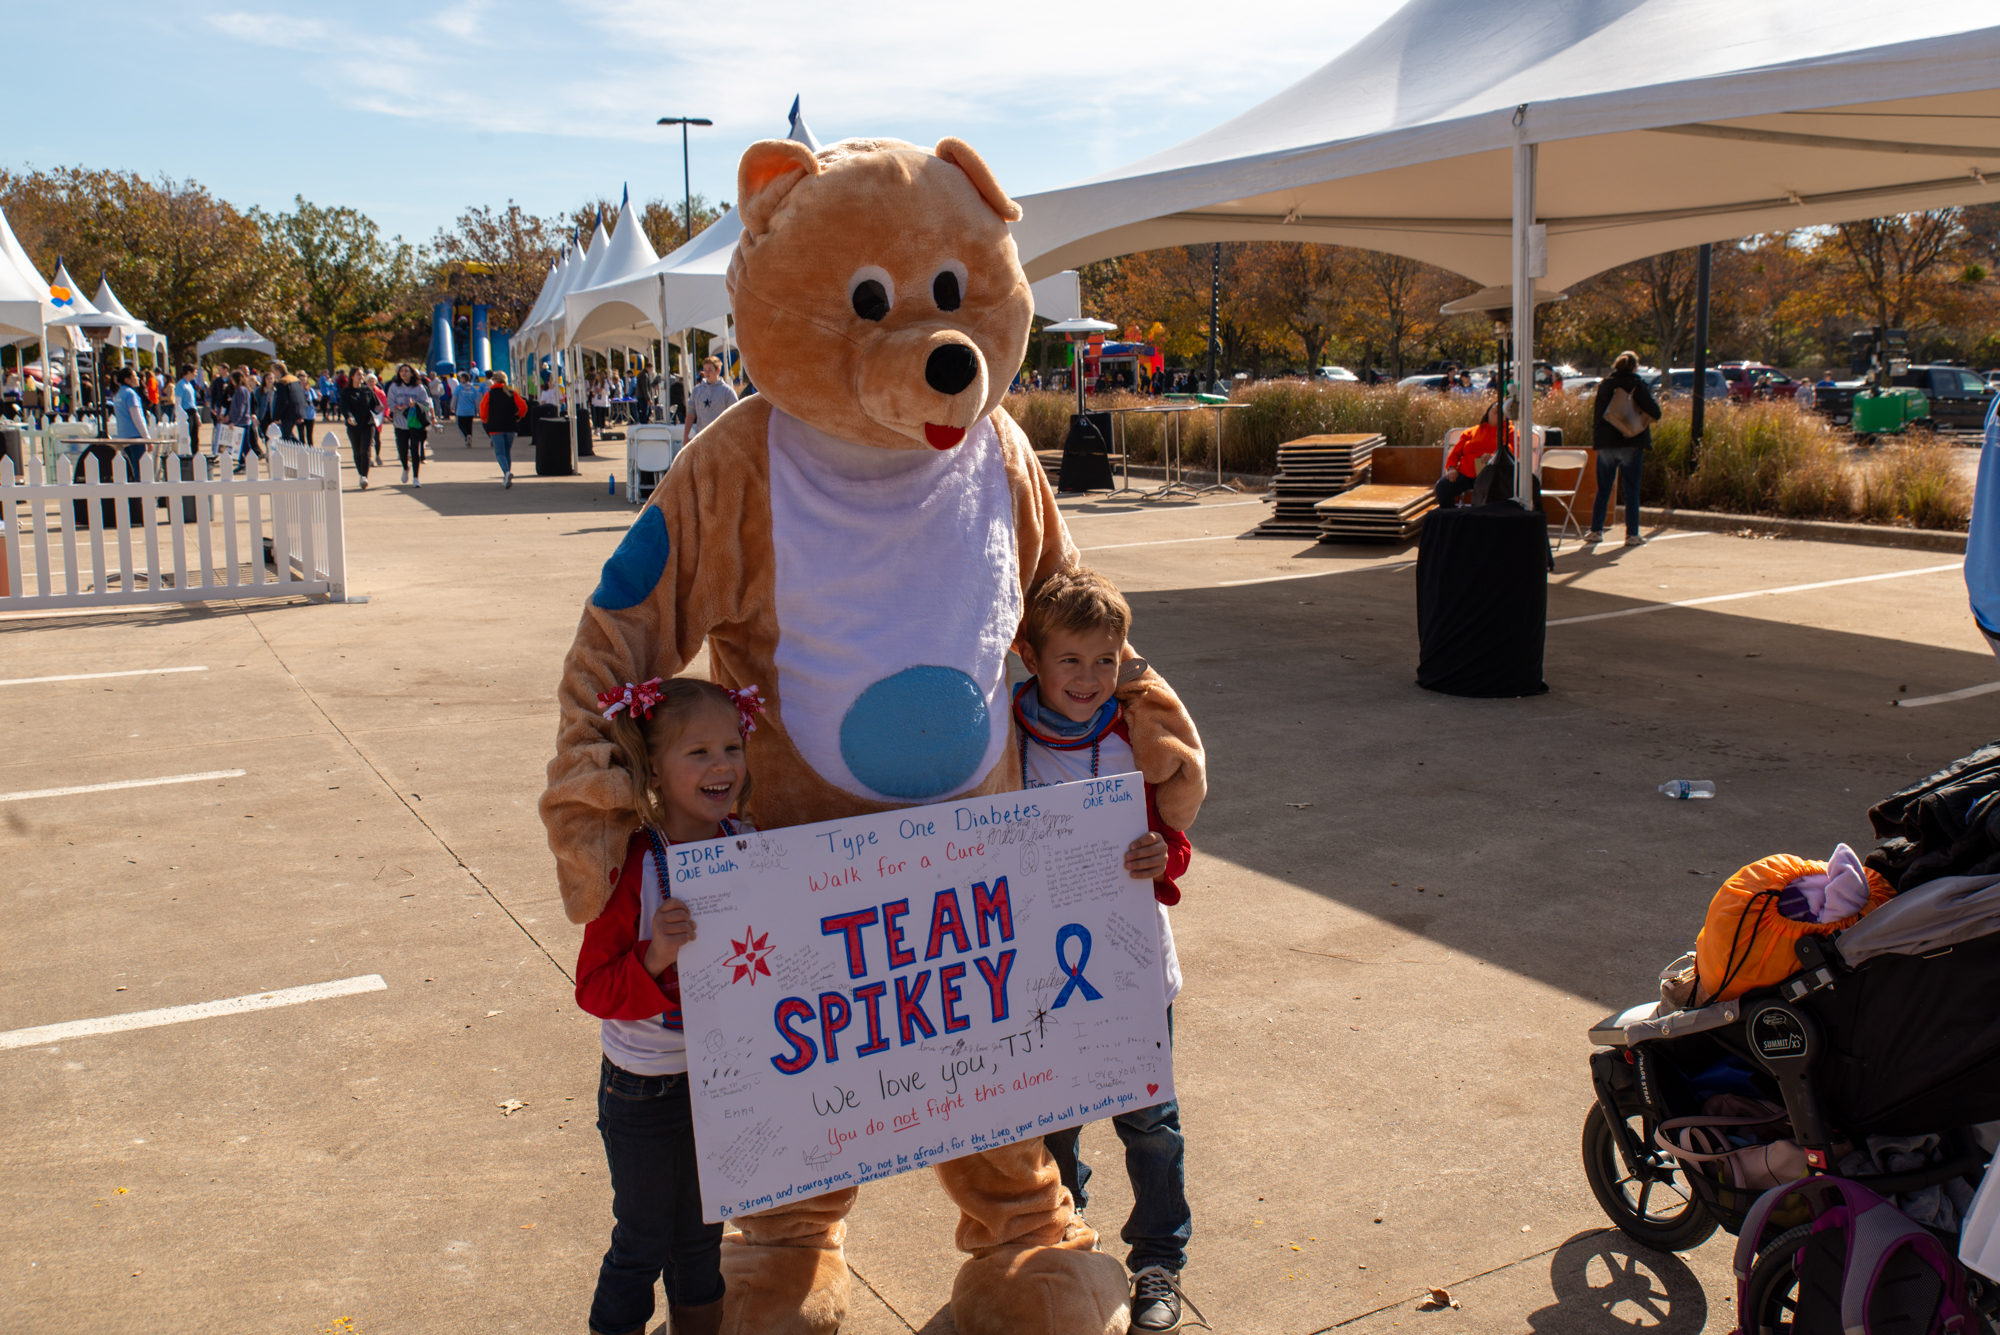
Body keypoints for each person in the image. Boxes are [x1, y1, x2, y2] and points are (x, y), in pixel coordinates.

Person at [1014, 568, 1201, 1335]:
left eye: (1104, 659)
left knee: (1149, 1122)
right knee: (1053, 1123)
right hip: (1037, 977)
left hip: (1133, 971)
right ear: (1030, 656)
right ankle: (1068, 1247)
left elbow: (1173, 839)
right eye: (1071, 659)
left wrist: (1162, 855)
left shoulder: (1134, 738)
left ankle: (1158, 1258)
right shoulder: (1003, 741)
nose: (1088, 678)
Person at [573, 676, 759, 1335]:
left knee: (703, 1234)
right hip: (644, 1087)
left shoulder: (750, 845)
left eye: (732, 748)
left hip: (722, 1079)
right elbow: (592, 987)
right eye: (698, 752)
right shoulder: (631, 865)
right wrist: (654, 955)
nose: (721, 766)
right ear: (654, 769)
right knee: (642, 1239)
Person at [1588, 350, 1662, 548]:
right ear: (1635, 367)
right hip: (1631, 440)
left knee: (1604, 488)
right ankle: (1631, 534)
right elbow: (1656, 412)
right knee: (1631, 490)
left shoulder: (1605, 385)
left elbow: (1597, 415)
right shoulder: (1637, 385)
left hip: (1606, 442)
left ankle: (1596, 530)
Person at [1434, 394, 1515, 507]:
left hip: (1490, 475)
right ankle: (1451, 514)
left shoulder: (1510, 432)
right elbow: (1455, 453)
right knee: (1442, 487)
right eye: (1496, 407)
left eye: (1502, 410)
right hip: (1466, 474)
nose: (1499, 410)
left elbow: (1512, 451)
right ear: (1488, 412)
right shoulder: (1471, 431)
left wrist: (1493, 456)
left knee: (1485, 493)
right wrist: (1451, 468)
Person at [478, 369, 529, 488]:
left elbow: (483, 410)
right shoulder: (512, 393)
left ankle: (506, 473)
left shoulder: (489, 394)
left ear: (494, 380)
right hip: (510, 426)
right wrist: (518, 416)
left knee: (500, 453)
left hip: (495, 427)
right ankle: (506, 477)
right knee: (507, 452)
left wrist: (486, 421)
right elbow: (523, 406)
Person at [384, 363, 431, 486]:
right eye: (401, 371)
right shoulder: (394, 387)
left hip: (415, 424)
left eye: (406, 371)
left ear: (412, 373)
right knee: (403, 451)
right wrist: (397, 407)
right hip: (400, 424)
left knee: (415, 450)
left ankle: (416, 478)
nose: (404, 373)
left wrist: (415, 405)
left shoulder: (419, 388)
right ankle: (405, 467)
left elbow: (426, 404)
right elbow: (389, 403)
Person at [339, 371, 378, 490]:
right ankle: (361, 473)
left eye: (362, 374)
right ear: (352, 376)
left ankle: (364, 477)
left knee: (365, 450)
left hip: (368, 424)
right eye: (358, 374)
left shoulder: (367, 390)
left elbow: (375, 405)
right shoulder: (346, 392)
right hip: (353, 425)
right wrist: (349, 417)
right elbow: (344, 407)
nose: (361, 377)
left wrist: (379, 409)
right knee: (357, 451)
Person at [685, 356, 737, 440]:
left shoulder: (727, 391)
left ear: (718, 371)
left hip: (721, 439)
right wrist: (685, 436)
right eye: (705, 369)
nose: (706, 372)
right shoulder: (696, 390)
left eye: (710, 370)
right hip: (701, 438)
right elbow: (691, 414)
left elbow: (735, 416)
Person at [225, 368, 263, 472]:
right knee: (239, 444)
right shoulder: (245, 389)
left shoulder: (240, 390)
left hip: (241, 421)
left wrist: (234, 421)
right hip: (243, 420)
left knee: (244, 444)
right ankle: (243, 463)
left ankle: (250, 463)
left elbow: (241, 407)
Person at [272, 362, 312, 442]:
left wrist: (277, 416)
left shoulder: (282, 382)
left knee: (287, 436)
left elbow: (283, 401)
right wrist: (301, 413)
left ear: (278, 371)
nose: (273, 373)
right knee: (289, 434)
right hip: (297, 411)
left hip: (288, 413)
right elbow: (301, 396)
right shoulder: (295, 379)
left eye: (273, 371)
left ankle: (301, 448)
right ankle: (301, 447)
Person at [174, 364, 202, 456]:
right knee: (186, 436)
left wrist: (197, 415)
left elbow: (193, 402)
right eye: (194, 372)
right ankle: (186, 455)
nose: (196, 374)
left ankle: (196, 455)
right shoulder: (181, 385)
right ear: (189, 372)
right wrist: (179, 414)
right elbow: (178, 402)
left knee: (195, 437)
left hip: (193, 412)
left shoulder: (189, 384)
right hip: (186, 413)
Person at [453, 371, 482, 446]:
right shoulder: (474, 389)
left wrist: (452, 407)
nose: (459, 379)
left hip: (461, 411)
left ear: (463, 379)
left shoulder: (458, 388)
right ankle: (469, 438)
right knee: (469, 425)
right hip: (471, 411)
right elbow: (477, 401)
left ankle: (466, 436)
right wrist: (478, 410)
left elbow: (454, 399)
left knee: (461, 425)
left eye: (460, 378)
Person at [634, 358, 656, 425]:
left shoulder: (641, 373)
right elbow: (645, 387)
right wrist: (648, 399)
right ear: (649, 367)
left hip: (640, 395)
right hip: (643, 396)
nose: (651, 370)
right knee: (645, 412)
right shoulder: (644, 375)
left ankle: (643, 422)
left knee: (645, 411)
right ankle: (643, 424)